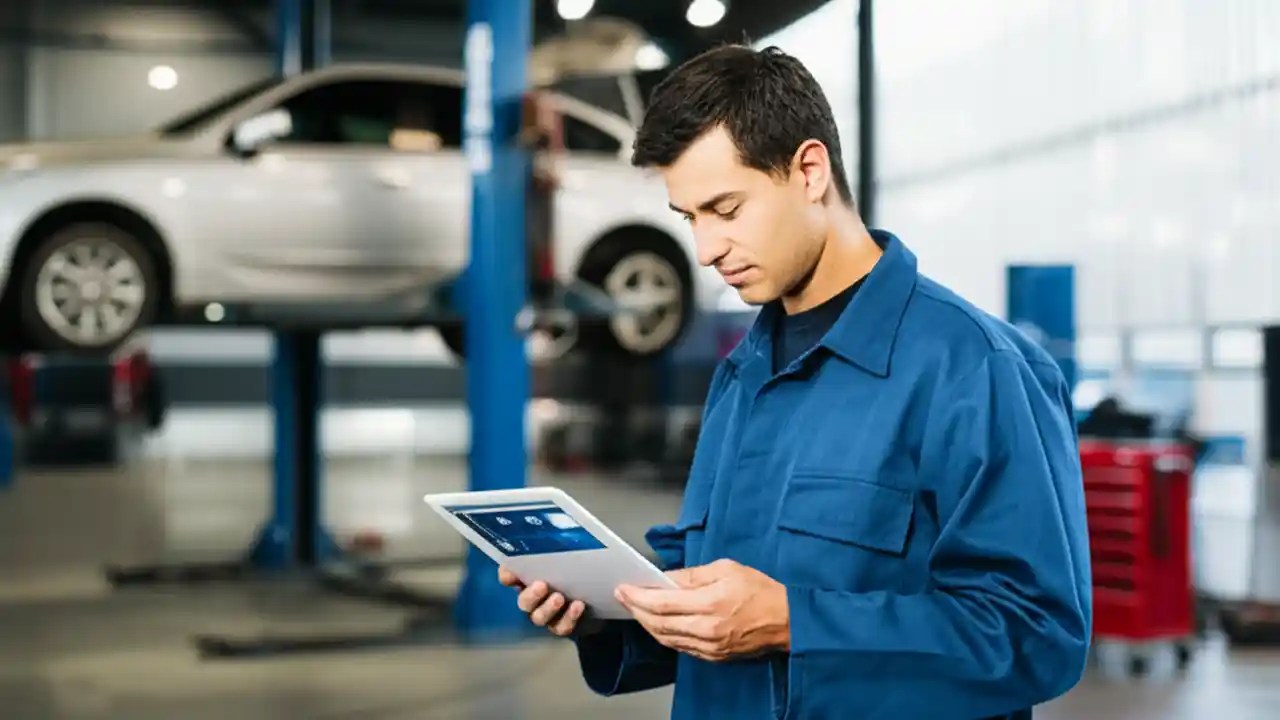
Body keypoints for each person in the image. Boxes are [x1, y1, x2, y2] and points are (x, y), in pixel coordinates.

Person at [499, 44, 1092, 720]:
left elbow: (1036, 636)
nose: (705, 249)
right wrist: (605, 607)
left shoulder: (976, 369)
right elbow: (708, 591)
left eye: (725, 209)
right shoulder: (745, 372)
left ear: (809, 170)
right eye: (689, 218)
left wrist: (792, 622)